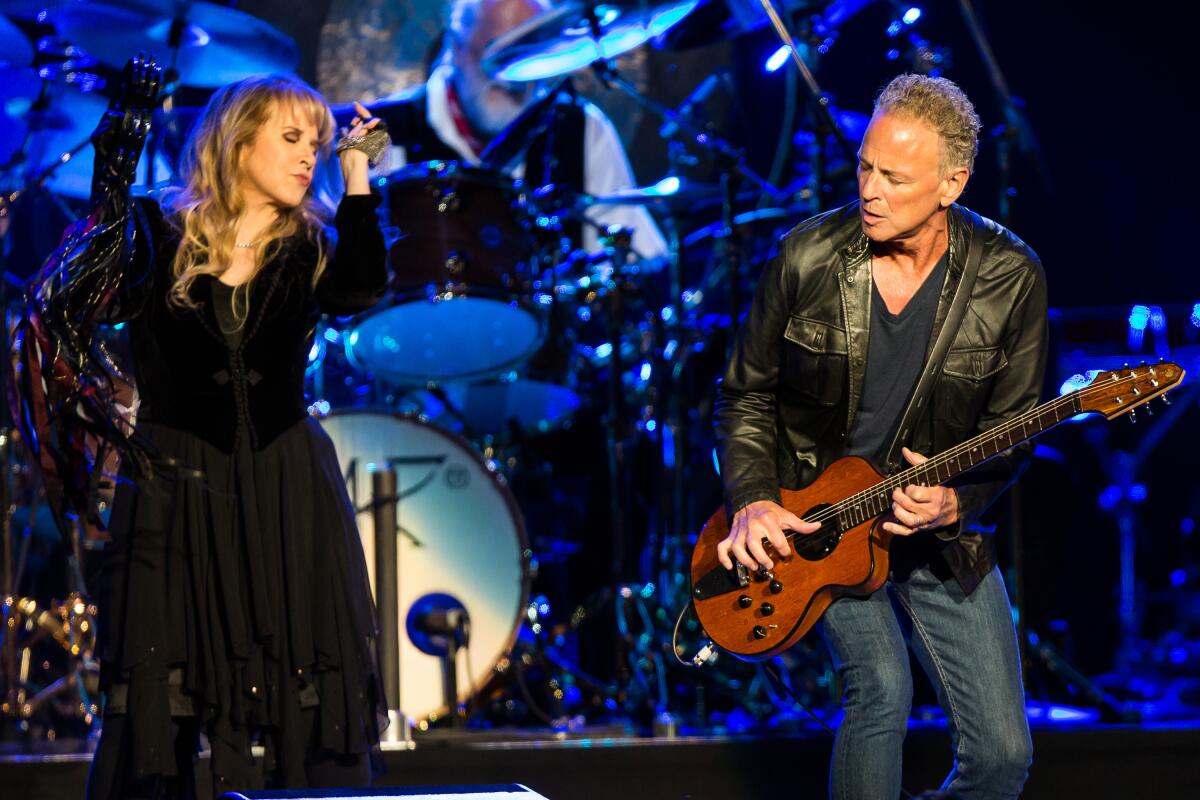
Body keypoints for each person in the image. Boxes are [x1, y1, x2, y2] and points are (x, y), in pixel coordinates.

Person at [22, 63, 392, 798]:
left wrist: (356, 177)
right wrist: (121, 138)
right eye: (291, 137)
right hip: (173, 487)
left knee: (301, 677)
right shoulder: (157, 236)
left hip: (287, 486)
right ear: (237, 142)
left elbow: (361, 288)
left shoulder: (310, 244)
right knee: (169, 682)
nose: (305, 155)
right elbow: (90, 275)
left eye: (315, 144)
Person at [714, 74, 1046, 799]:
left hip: (933, 536)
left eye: (894, 177)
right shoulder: (807, 256)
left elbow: (1011, 436)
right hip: (820, 522)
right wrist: (755, 501)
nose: (869, 189)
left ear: (951, 184)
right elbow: (743, 395)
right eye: (865, 166)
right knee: (882, 691)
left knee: (1001, 755)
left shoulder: (1010, 276)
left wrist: (957, 506)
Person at [365, 0, 668, 260]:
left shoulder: (583, 129)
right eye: (495, 54)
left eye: (527, 56)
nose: (509, 77)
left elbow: (638, 259)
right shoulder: (379, 132)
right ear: (455, 49)